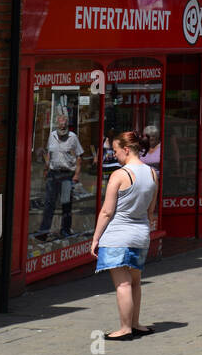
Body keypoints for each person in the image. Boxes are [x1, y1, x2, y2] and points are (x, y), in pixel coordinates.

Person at [91, 130, 158, 341]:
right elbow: (150, 211)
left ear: (126, 150)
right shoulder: (152, 173)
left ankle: (124, 328)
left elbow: (107, 211)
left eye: (116, 151)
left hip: (118, 236)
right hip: (141, 234)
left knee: (122, 284)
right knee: (136, 282)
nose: (114, 155)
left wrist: (95, 238)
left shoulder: (120, 175)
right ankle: (136, 324)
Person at [35, 112, 84, 241]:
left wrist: (77, 174)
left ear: (67, 125)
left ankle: (65, 230)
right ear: (57, 124)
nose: (62, 127)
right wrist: (46, 168)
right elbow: (49, 154)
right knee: (49, 203)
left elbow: (79, 157)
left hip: (67, 174)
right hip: (53, 173)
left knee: (66, 203)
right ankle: (43, 232)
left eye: (64, 125)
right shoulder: (52, 135)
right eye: (60, 124)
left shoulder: (73, 137)